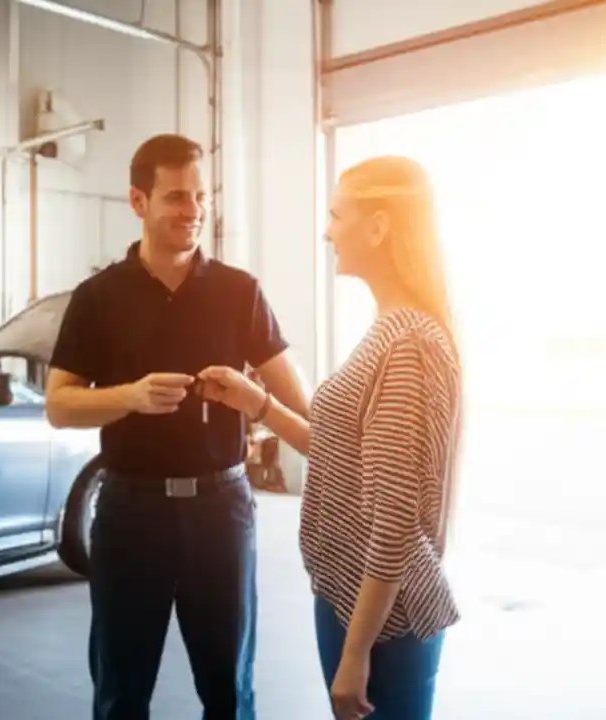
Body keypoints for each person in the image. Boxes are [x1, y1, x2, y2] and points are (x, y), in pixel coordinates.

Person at [45, 133, 309, 720]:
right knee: (121, 689)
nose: (193, 211)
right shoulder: (97, 297)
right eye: (176, 198)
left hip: (221, 510)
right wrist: (130, 397)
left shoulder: (239, 292)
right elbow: (59, 405)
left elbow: (303, 404)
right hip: (129, 513)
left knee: (229, 691)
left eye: (200, 196)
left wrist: (254, 399)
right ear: (138, 201)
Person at [199, 155, 462, 720]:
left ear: (379, 226)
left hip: (385, 626)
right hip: (350, 598)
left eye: (337, 214)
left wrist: (357, 651)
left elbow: (394, 514)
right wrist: (258, 403)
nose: (327, 230)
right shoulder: (388, 330)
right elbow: (343, 455)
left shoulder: (408, 345)